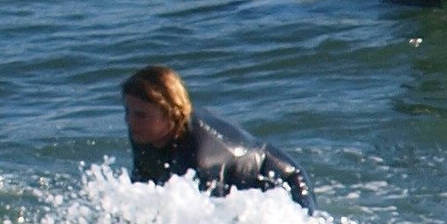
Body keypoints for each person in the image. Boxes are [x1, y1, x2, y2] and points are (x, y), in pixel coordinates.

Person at [120, 65, 307, 203]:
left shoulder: (203, 157)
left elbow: (211, 222)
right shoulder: (144, 133)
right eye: (128, 111)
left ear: (171, 114)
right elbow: (142, 190)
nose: (130, 121)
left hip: (283, 183)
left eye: (141, 115)